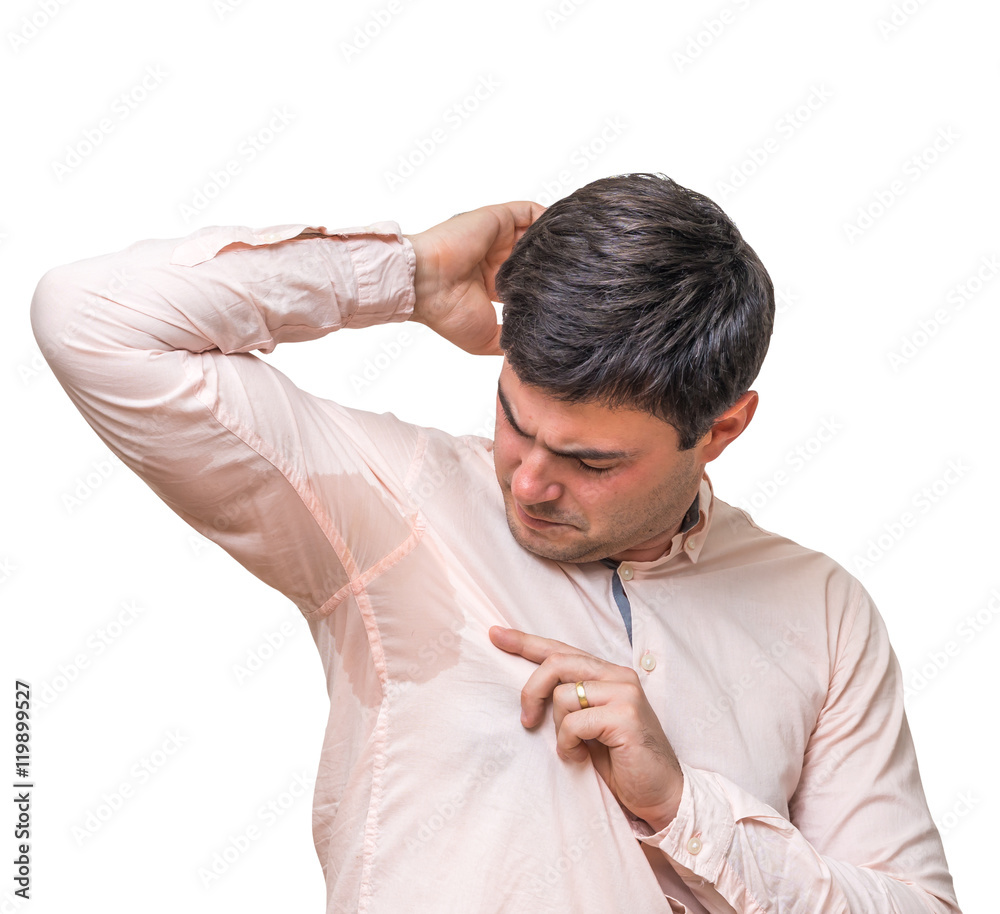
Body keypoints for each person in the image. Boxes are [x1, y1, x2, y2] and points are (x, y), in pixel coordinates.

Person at [31, 173, 961, 913]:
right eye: (515, 422)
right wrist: (406, 275)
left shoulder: (821, 610)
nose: (528, 482)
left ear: (722, 430)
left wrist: (684, 807)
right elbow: (92, 320)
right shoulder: (394, 503)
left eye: (591, 462)